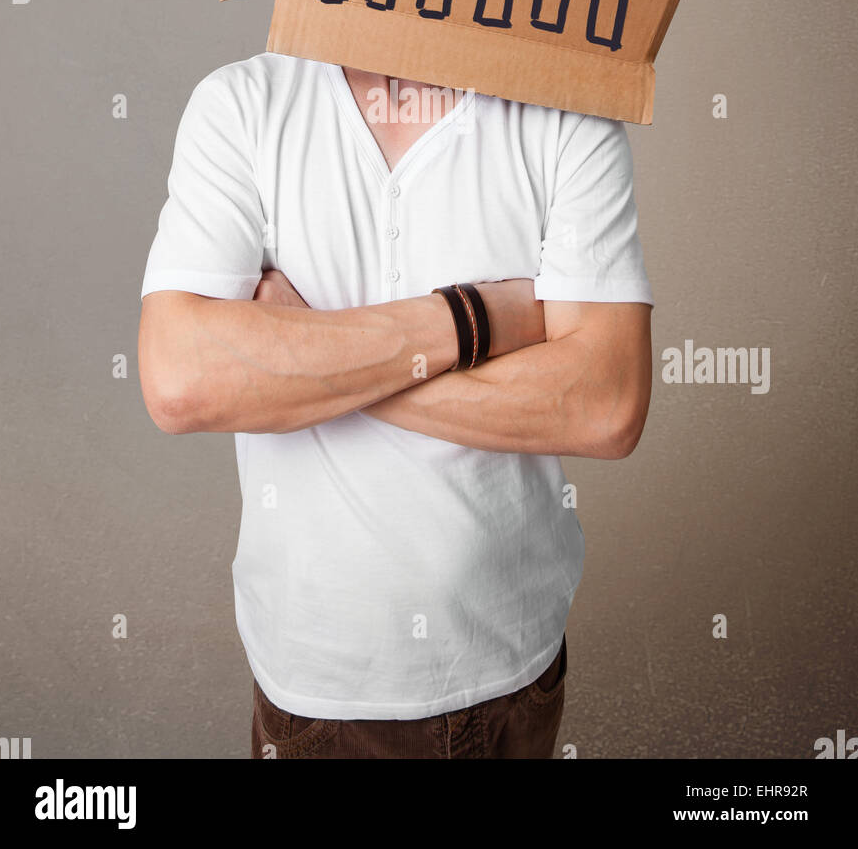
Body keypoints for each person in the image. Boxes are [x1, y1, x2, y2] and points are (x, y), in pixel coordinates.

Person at [138, 55, 654, 759]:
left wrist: (305, 353)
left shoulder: (567, 113)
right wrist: (475, 319)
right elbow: (181, 380)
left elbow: (606, 404)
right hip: (316, 684)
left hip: (511, 666)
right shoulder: (243, 103)